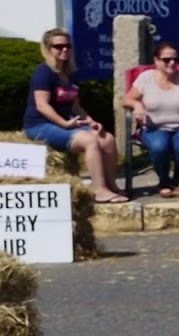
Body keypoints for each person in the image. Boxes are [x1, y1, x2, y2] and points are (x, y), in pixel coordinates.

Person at [23, 29, 126, 204]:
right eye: (58, 46)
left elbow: (75, 105)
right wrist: (64, 124)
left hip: (67, 123)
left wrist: (92, 122)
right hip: (40, 125)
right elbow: (42, 105)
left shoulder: (71, 74)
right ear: (48, 49)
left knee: (107, 139)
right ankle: (98, 189)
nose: (64, 50)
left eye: (68, 46)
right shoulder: (44, 72)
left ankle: (110, 185)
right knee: (89, 141)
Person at [123, 41, 179, 198]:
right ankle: (164, 181)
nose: (172, 63)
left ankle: (178, 181)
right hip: (154, 127)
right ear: (156, 61)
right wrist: (137, 104)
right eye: (166, 60)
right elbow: (127, 99)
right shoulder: (145, 78)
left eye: (175, 59)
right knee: (159, 146)